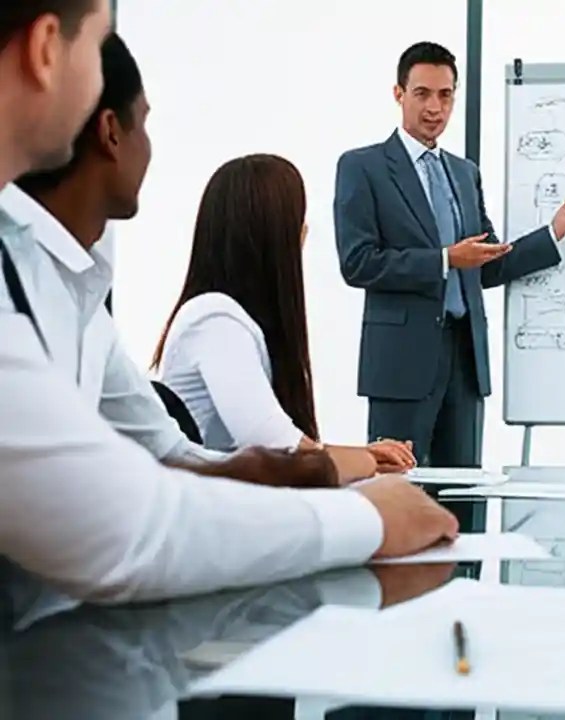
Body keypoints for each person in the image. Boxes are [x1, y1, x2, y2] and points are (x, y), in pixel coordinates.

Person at [0, 0, 456, 602]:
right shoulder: (207, 316)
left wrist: (342, 472)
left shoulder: (67, 283)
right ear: (46, 51)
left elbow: (170, 457)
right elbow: (122, 533)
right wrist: (370, 520)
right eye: (97, 39)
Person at [6, 32, 345, 489]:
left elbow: (172, 453)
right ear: (111, 133)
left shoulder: (87, 304)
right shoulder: (214, 317)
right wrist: (362, 508)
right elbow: (100, 506)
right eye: (143, 124)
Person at [334, 41, 565, 467]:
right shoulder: (362, 167)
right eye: (422, 93)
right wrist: (444, 260)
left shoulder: (463, 173)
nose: (434, 108)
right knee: (399, 491)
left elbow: (486, 263)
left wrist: (552, 234)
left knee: (463, 494)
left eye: (445, 95)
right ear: (398, 93)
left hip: (464, 360)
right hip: (401, 365)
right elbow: (358, 262)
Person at [153, 154, 416, 484]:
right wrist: (363, 461)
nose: (305, 232)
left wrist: (361, 454)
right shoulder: (215, 322)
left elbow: (284, 446)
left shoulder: (227, 319)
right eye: (298, 220)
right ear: (274, 233)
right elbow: (282, 453)